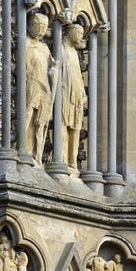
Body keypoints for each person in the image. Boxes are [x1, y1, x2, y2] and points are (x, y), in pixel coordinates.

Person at [25, 12, 57, 162]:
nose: (42, 29)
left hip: (45, 88)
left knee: (41, 123)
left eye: (45, 27)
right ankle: (23, 149)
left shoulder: (44, 47)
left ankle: (37, 155)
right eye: (39, 25)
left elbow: (51, 65)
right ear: (31, 25)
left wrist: (54, 70)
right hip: (30, 85)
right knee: (27, 116)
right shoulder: (24, 43)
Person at [61, 23, 87, 172]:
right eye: (79, 32)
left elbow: (78, 75)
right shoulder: (62, 49)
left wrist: (83, 93)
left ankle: (72, 162)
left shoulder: (74, 53)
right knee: (63, 125)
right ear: (70, 32)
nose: (81, 36)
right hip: (65, 94)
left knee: (75, 128)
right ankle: (63, 159)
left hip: (76, 95)